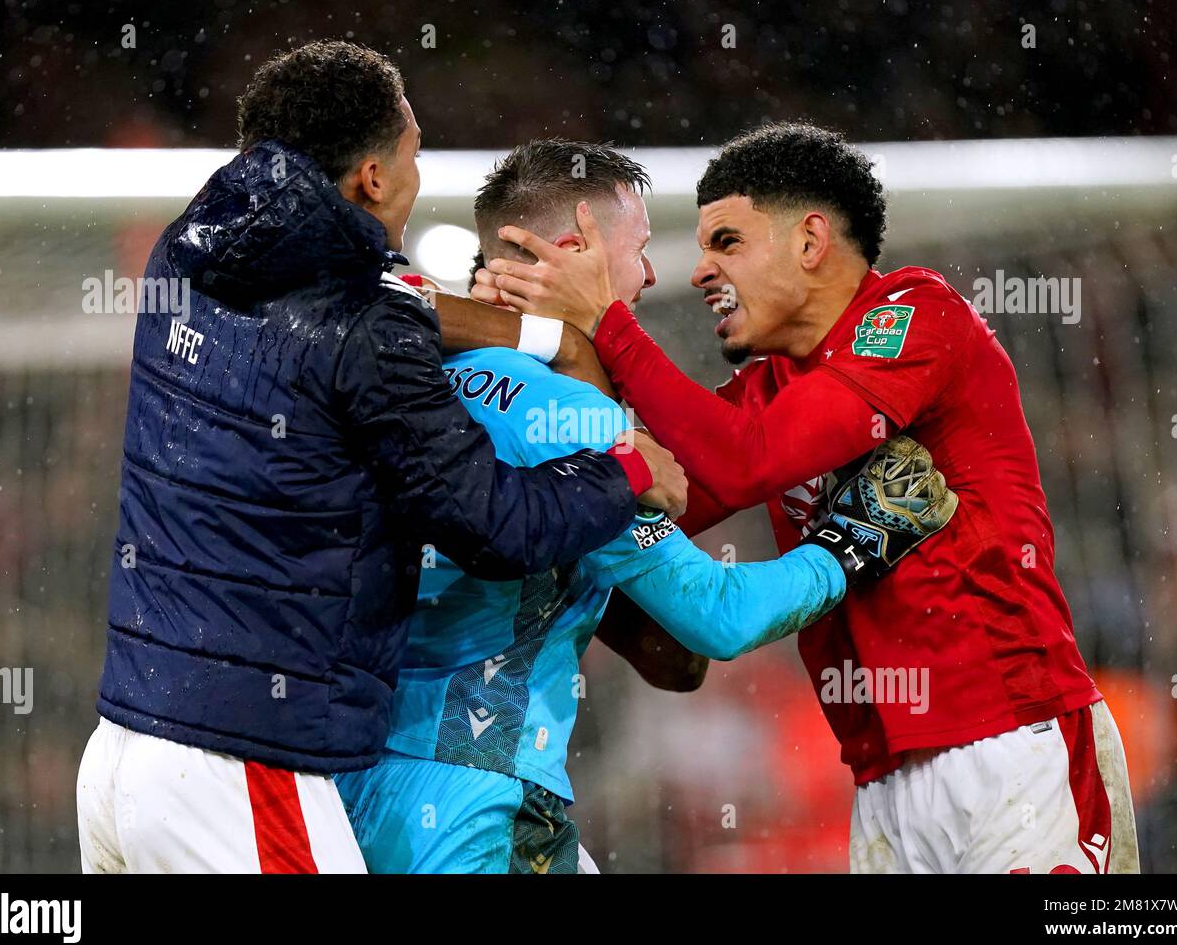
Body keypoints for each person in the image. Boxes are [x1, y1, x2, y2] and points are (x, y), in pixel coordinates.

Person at [75, 41, 686, 874]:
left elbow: (394, 310)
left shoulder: (186, 253)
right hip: (241, 765)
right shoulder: (366, 321)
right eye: (414, 156)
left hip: (121, 753)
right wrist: (630, 468)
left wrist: (552, 336)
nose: (416, 177)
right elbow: (493, 524)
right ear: (371, 177)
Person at [473, 122, 1139, 874]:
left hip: (1012, 742)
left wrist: (606, 323)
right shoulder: (765, 391)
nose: (696, 272)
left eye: (726, 242)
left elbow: (747, 459)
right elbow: (660, 493)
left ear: (810, 241)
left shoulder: (913, 315)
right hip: (885, 780)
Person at [335, 140, 955, 873]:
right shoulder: (578, 419)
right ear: (574, 252)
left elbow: (668, 658)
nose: (655, 273)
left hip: (355, 787)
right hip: (478, 798)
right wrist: (853, 543)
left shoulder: (407, 381)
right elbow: (715, 618)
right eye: (637, 249)